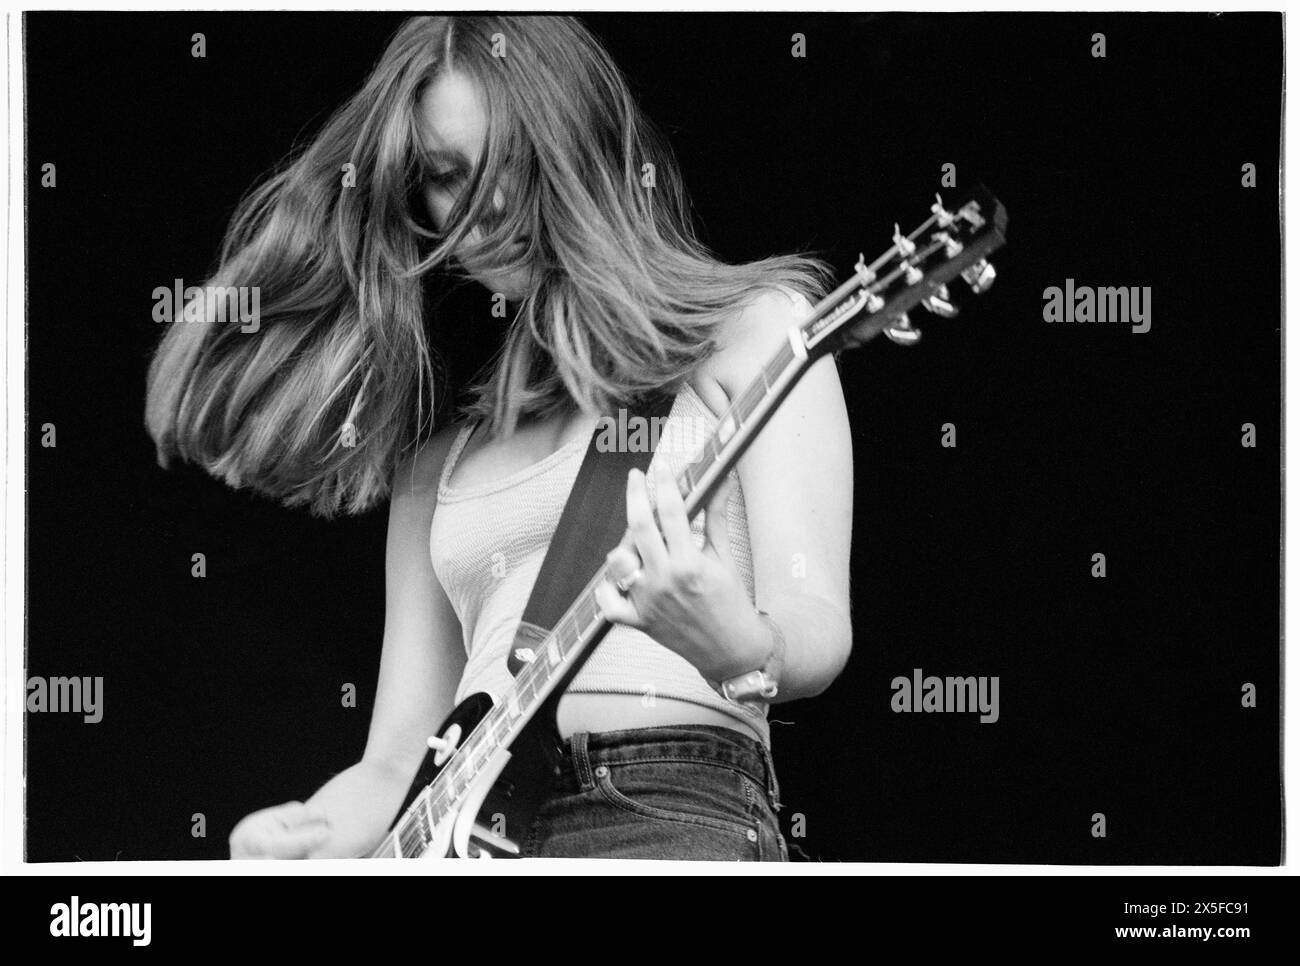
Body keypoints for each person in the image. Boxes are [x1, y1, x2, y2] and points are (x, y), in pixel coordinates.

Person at [146, 14, 853, 861]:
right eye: (445, 177)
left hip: (661, 805)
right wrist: (310, 832)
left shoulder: (753, 334)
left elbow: (816, 619)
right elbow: (397, 760)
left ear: (586, 148)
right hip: (461, 839)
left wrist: (739, 643)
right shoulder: (436, 466)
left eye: (513, 164)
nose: (485, 212)